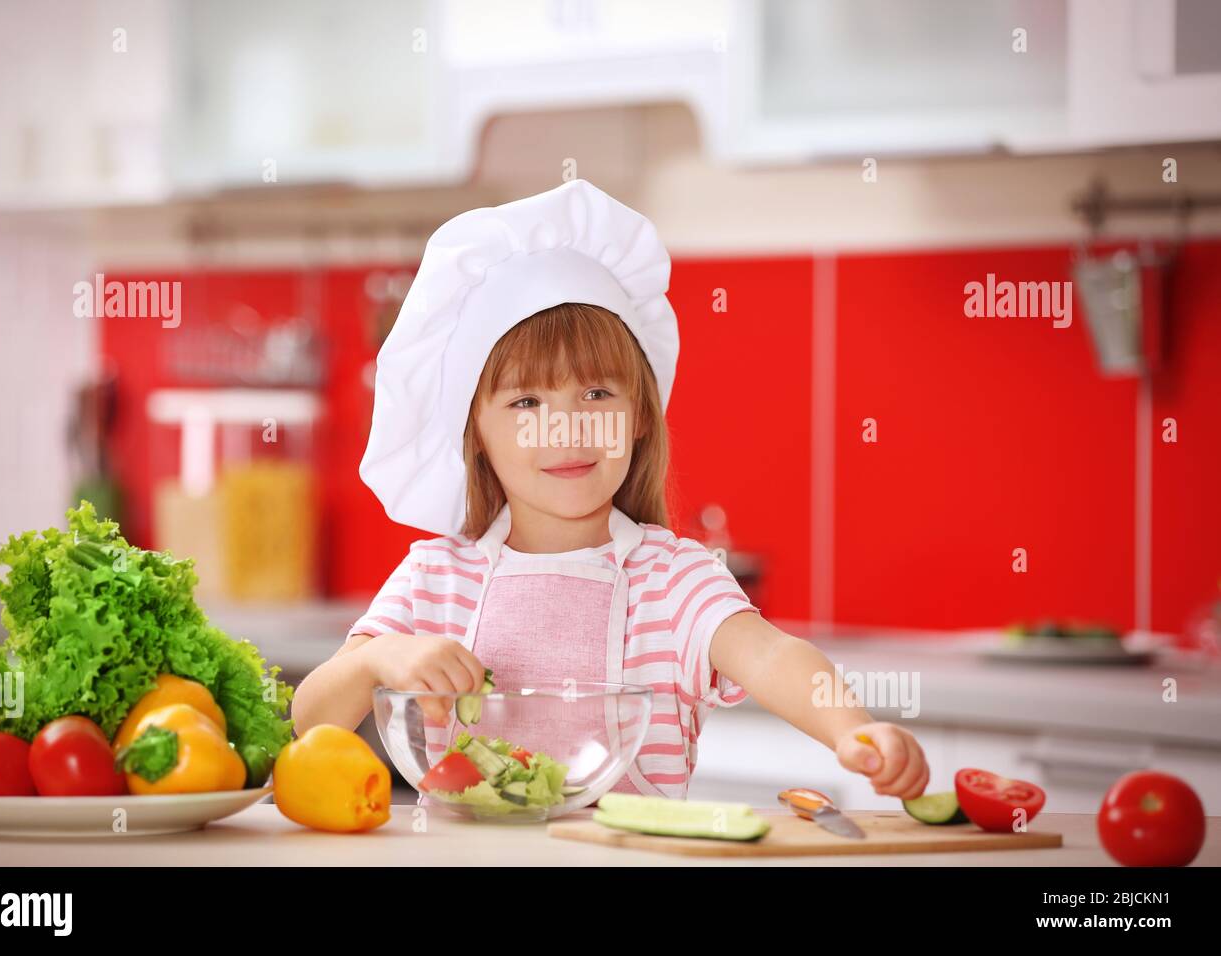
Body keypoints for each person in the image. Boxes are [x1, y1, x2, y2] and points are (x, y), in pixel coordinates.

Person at [292, 179, 928, 803]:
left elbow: (772, 658)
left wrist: (856, 731)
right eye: (526, 401)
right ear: (476, 432)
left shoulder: (674, 579)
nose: (567, 428)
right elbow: (311, 717)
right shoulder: (436, 579)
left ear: (640, 415)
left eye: (596, 393)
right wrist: (379, 661)